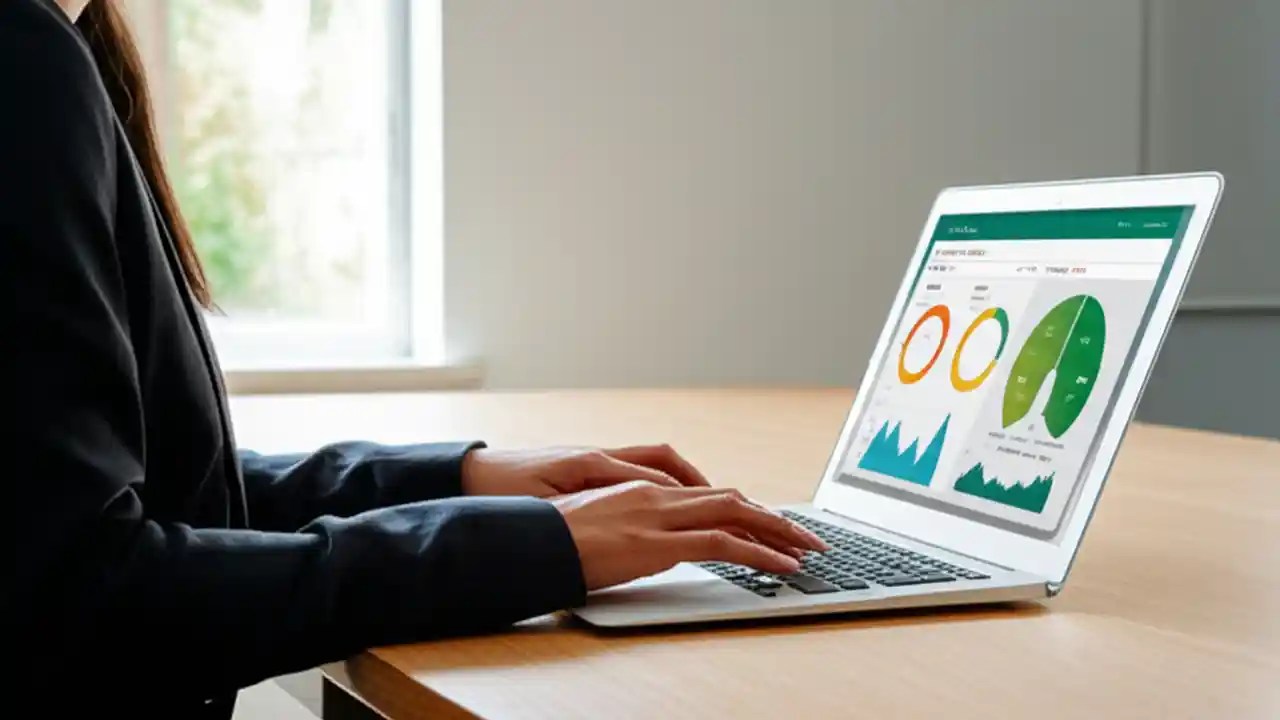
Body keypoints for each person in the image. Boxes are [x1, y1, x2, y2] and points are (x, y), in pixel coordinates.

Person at [0, 0, 828, 716]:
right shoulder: (24, 62)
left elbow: (153, 497)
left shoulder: (54, 49)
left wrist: (461, 479)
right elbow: (85, 598)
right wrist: (533, 547)